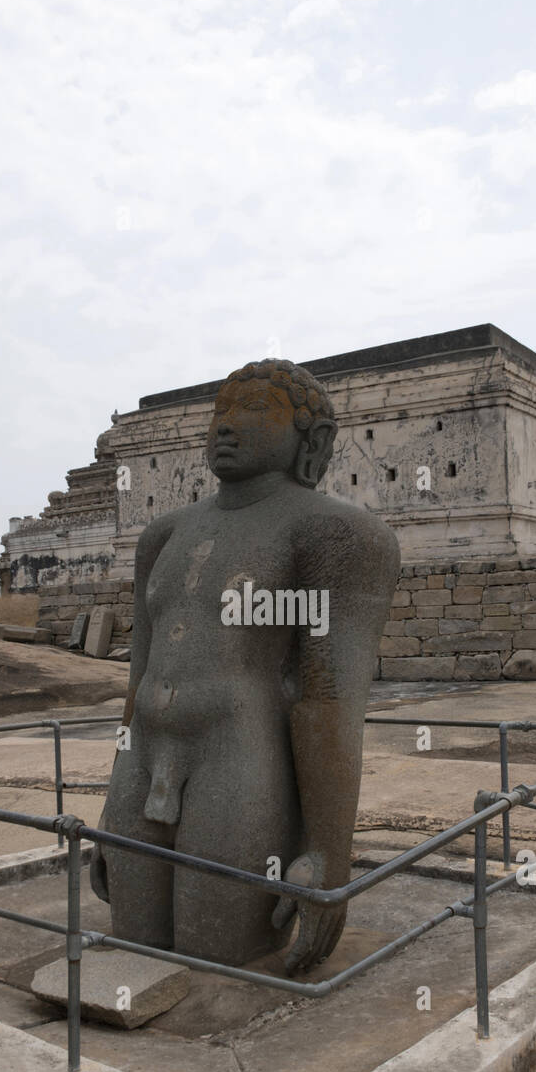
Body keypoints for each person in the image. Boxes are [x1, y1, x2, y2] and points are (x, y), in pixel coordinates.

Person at [90, 358, 400, 971]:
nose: (226, 425)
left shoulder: (333, 534)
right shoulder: (163, 535)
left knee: (223, 959)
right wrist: (108, 804)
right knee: (133, 944)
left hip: (239, 755)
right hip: (144, 755)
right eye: (220, 411)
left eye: (255, 409)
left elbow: (328, 700)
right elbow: (139, 679)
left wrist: (328, 855)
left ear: (307, 437)